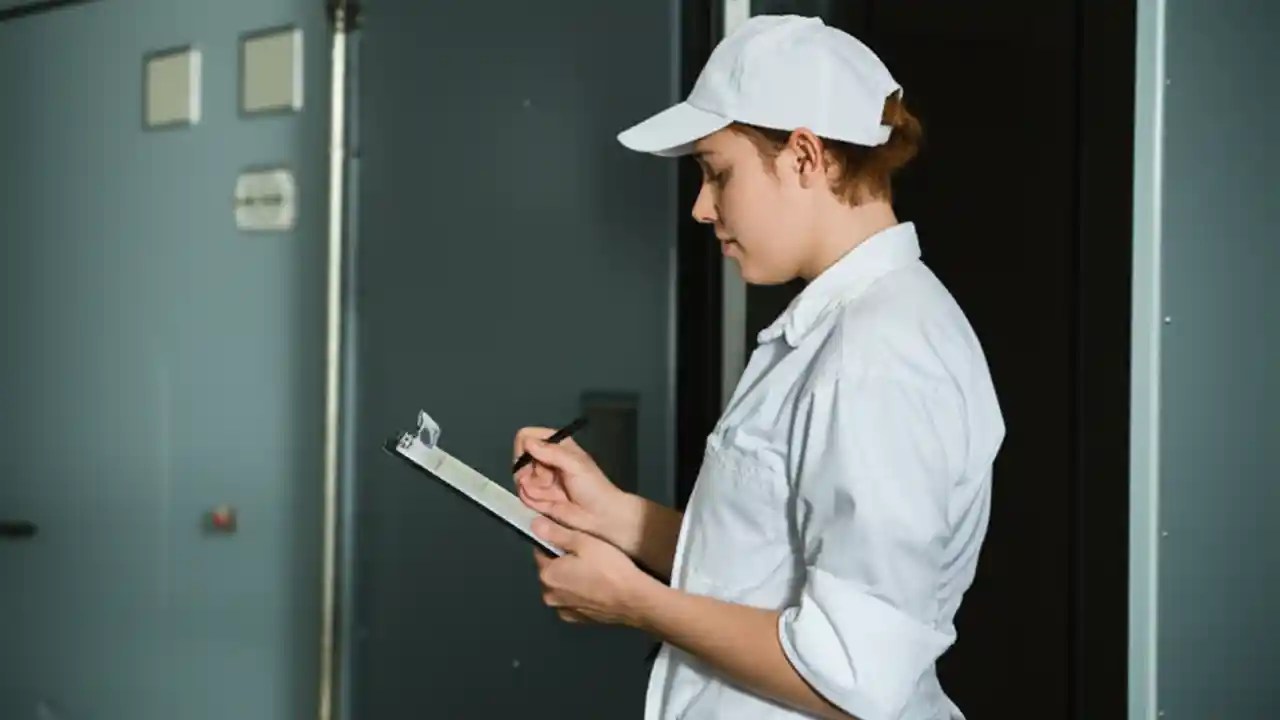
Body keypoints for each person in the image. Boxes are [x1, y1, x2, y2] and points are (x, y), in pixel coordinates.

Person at [512, 14, 1004, 720]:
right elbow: (774, 567)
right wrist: (616, 517)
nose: (701, 207)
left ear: (806, 156)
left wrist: (635, 603)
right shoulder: (841, 331)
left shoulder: (878, 357)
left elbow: (850, 678)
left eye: (718, 173)